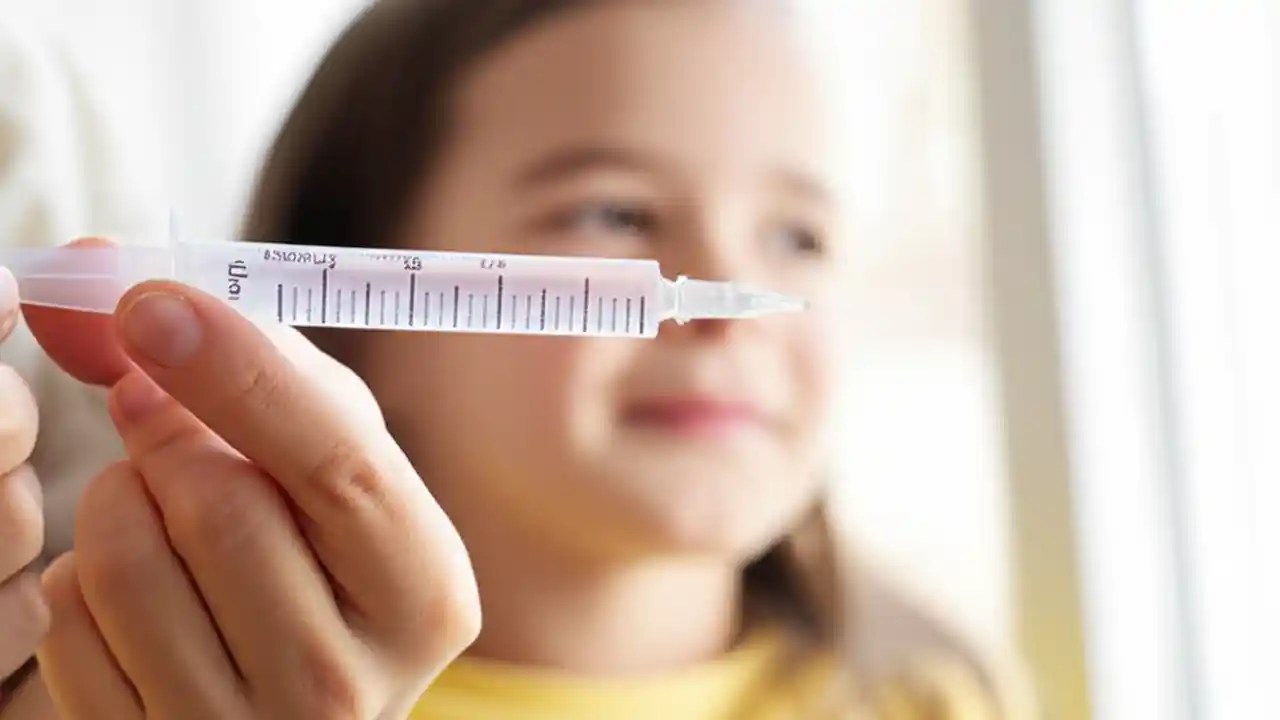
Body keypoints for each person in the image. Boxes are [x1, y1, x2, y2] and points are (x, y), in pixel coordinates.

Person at [5, 1, 1028, 717]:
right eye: (613, 211)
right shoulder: (170, 685)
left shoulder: (935, 697)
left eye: (797, 236)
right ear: (355, 313)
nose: (723, 301)